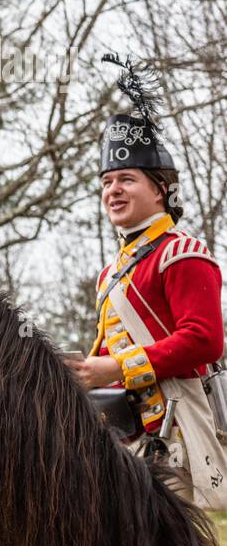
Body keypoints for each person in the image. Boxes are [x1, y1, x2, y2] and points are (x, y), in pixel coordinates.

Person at [66, 56, 227, 511]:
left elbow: (204, 341)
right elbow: (108, 348)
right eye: (107, 181)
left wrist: (115, 369)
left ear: (159, 189)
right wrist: (84, 373)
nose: (112, 190)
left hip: (175, 434)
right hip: (128, 434)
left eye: (126, 180)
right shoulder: (111, 271)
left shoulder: (182, 252)